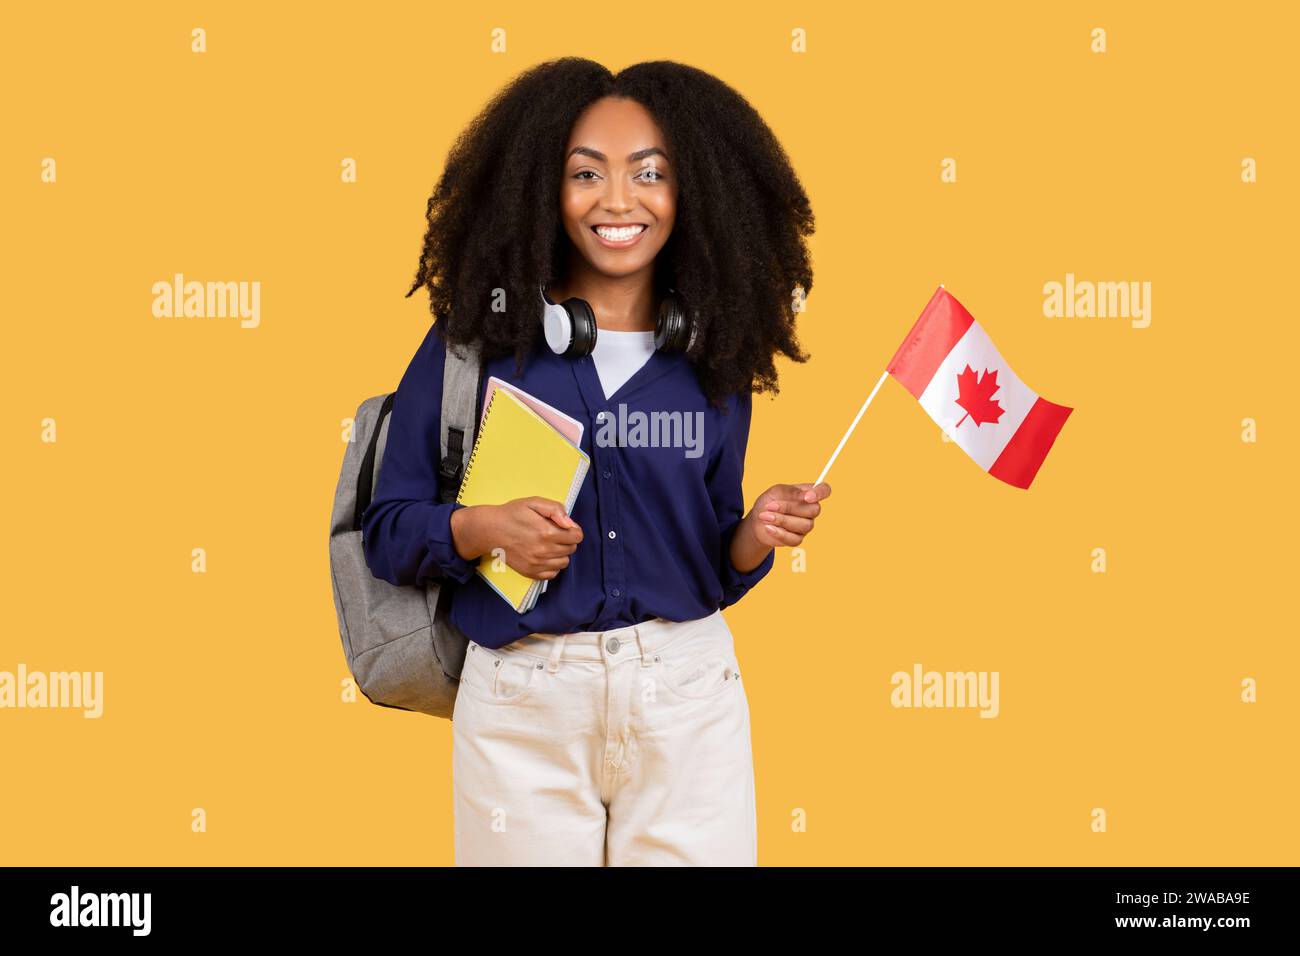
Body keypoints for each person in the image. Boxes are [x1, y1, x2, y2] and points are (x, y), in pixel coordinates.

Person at [361, 57, 830, 866]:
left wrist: (754, 532)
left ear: (696, 193)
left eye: (651, 174)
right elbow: (387, 531)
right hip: (521, 705)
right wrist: (480, 528)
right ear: (540, 189)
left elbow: (714, 565)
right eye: (586, 174)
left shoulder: (713, 359)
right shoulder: (475, 345)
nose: (620, 201)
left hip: (687, 700)